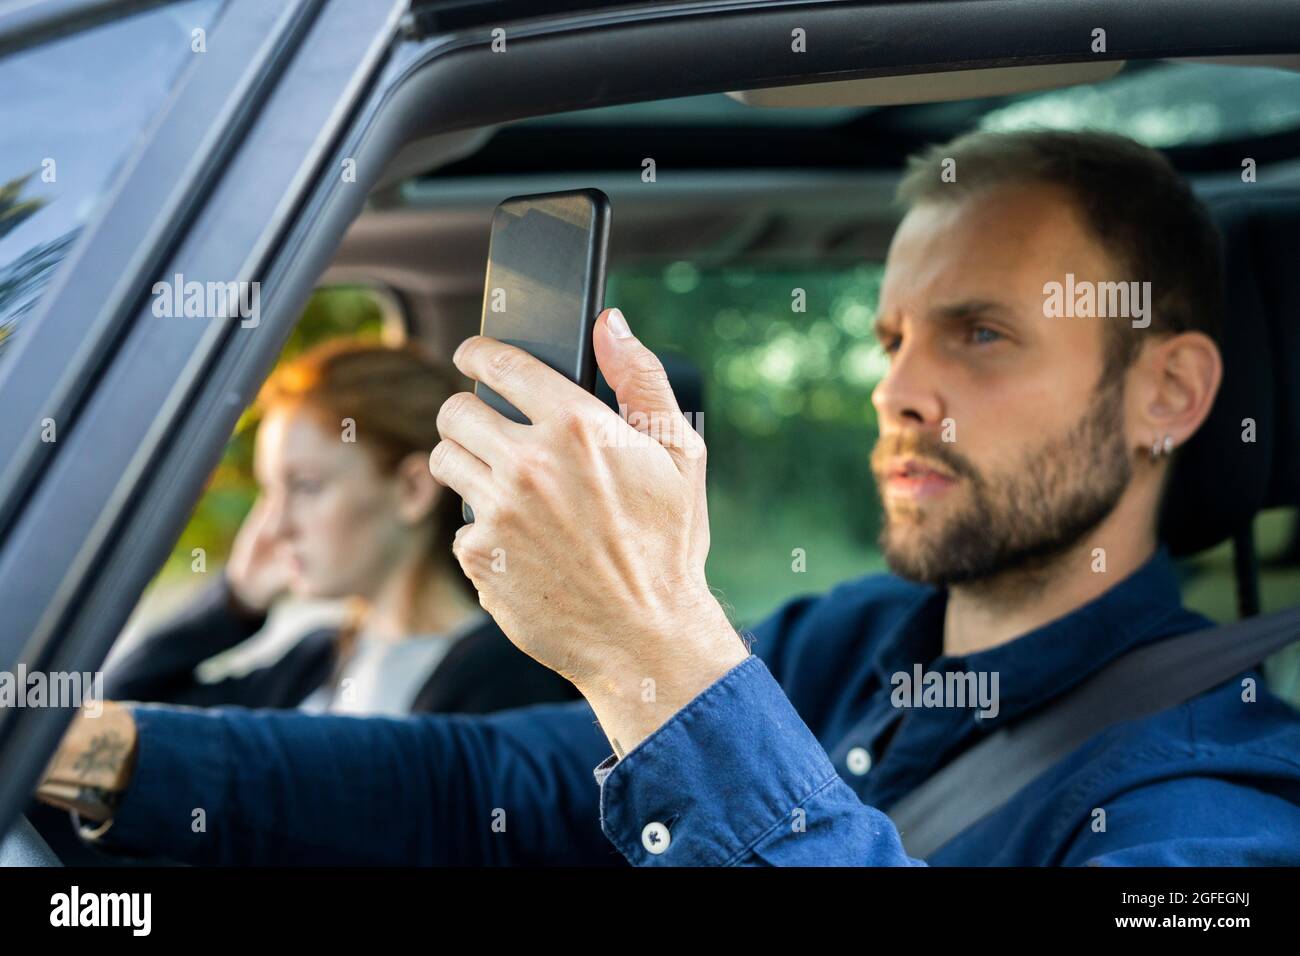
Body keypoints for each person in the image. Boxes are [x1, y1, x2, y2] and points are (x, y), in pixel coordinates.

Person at [37, 129, 1300, 865]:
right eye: (887, 337)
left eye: (979, 334)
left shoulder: (1208, 803)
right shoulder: (844, 644)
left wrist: (659, 648)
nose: (898, 390)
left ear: (1168, 395)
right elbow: (477, 781)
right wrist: (79, 749)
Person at [103, 338, 578, 716]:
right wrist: (234, 602)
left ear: (413, 489)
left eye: (306, 486)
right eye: (268, 491)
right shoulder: (322, 658)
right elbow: (117, 715)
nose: (274, 527)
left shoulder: (501, 678)